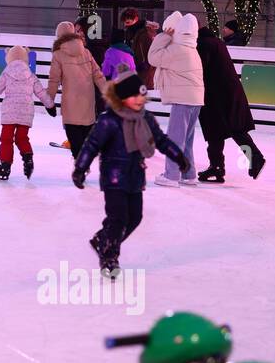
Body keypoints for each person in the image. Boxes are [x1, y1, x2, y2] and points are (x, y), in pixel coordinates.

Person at [72, 66, 190, 277]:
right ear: (121, 97)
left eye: (141, 95)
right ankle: (109, 256)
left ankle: (102, 239)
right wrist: (80, 168)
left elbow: (161, 141)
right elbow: (92, 145)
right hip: (114, 177)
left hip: (135, 176)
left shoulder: (145, 118)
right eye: (133, 95)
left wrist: (178, 156)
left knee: (134, 217)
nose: (138, 99)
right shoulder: (109, 120)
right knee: (118, 218)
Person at [196, 26, 265, 182]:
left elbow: (200, 69)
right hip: (223, 92)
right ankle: (216, 167)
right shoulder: (216, 42)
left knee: (232, 130)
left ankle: (255, 157)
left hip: (219, 94)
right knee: (217, 131)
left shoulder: (203, 45)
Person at [0, 46, 56, 180]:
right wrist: (50, 106)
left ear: (9, 57)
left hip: (9, 113)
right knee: (22, 138)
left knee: (6, 139)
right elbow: (41, 93)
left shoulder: (7, 72)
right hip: (26, 112)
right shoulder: (31, 74)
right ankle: (28, 159)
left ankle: (5, 166)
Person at [147, 11, 205, 187]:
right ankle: (188, 173)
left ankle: (172, 175)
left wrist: (164, 36)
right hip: (195, 100)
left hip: (183, 100)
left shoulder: (176, 50)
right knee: (186, 139)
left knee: (175, 138)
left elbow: (153, 57)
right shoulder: (192, 50)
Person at [45, 20, 109, 155]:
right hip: (88, 97)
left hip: (70, 99)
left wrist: (49, 102)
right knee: (86, 128)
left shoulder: (58, 54)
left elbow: (54, 80)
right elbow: (98, 75)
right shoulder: (85, 51)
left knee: (73, 131)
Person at [120, 7, 159, 89]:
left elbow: (151, 55)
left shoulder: (145, 34)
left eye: (127, 22)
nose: (125, 25)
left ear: (136, 19)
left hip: (143, 73)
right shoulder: (129, 33)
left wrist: (143, 65)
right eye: (124, 22)